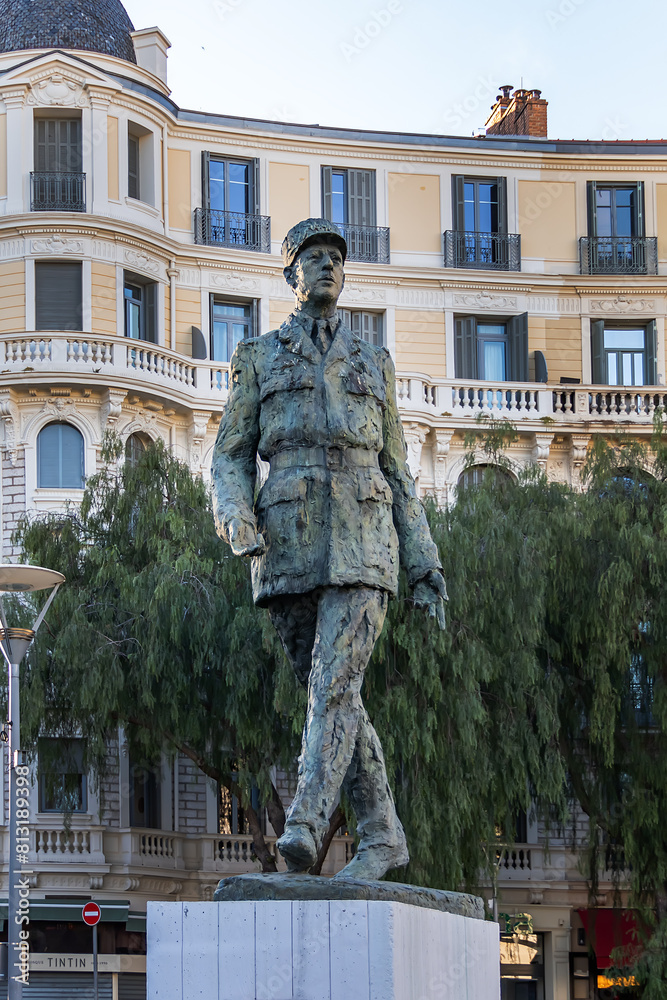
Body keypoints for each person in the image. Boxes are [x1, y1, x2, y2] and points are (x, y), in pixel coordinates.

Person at [211, 218, 446, 881]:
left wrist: (424, 561)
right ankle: (381, 836)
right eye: (311, 258)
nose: (325, 267)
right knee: (336, 698)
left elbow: (400, 472)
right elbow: (229, 457)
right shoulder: (258, 357)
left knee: (333, 685)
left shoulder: (374, 363)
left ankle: (307, 824)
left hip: (365, 543)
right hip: (283, 547)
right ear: (290, 275)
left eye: (334, 259)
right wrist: (234, 517)